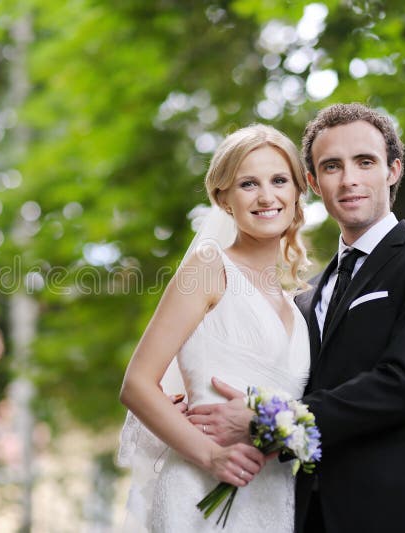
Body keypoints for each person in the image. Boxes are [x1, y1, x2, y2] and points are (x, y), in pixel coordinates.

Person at [188, 103, 405, 532]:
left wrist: (268, 421)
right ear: (315, 183)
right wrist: (197, 403)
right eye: (332, 166)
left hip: (402, 507)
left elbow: (403, 385)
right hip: (309, 512)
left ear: (393, 171)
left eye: (365, 162)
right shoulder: (305, 298)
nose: (350, 179)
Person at [118, 124, 311, 532]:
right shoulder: (208, 267)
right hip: (200, 493)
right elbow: (136, 384)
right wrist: (211, 456)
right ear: (224, 198)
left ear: (297, 191)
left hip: (274, 497)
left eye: (279, 180)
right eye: (248, 184)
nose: (266, 196)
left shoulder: (298, 306)